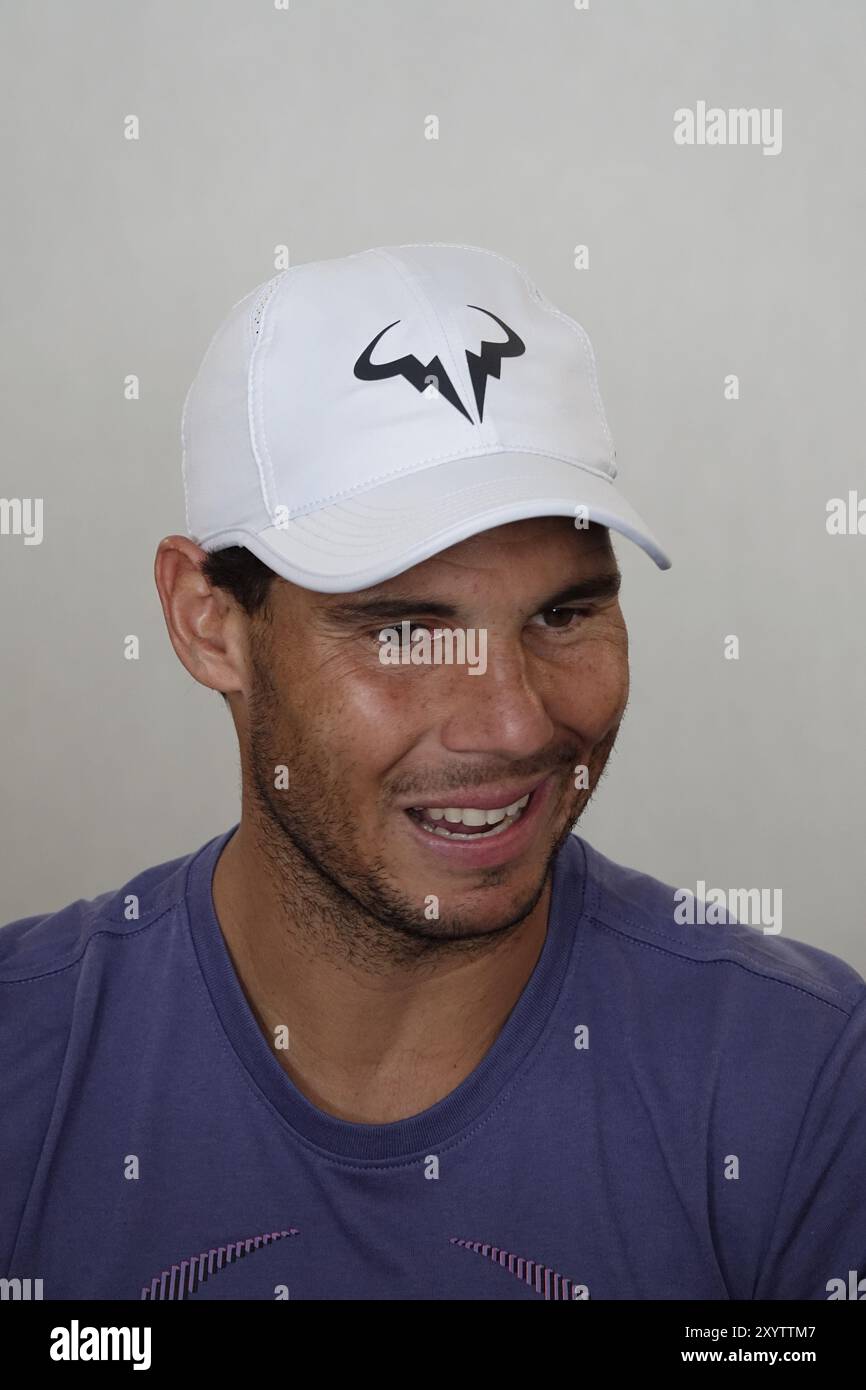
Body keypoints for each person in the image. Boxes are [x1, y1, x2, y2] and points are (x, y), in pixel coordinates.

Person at [2, 243, 864, 1302]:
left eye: (563, 613)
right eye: (405, 630)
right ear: (207, 622)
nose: (511, 721)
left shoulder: (803, 1076)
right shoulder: (24, 1055)